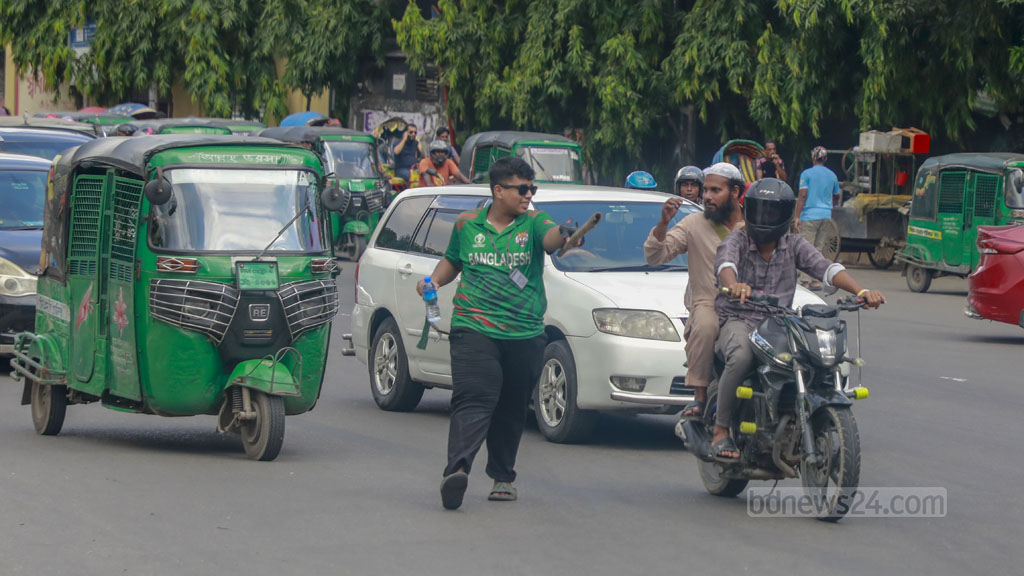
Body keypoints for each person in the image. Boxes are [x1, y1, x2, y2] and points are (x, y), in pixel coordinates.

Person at [417, 156, 580, 510]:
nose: (528, 195)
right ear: (498, 190)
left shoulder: (534, 222)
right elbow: (452, 260)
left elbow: (552, 239)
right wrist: (432, 281)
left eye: (532, 188)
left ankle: (503, 475)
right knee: (473, 398)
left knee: (510, 406)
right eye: (522, 189)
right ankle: (457, 469)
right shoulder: (466, 225)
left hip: (524, 334)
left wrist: (565, 235)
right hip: (472, 326)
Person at [710, 178, 885, 461]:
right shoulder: (737, 241)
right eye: (760, 211)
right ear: (749, 211)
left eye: (773, 212)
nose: (766, 218)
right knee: (741, 356)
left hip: (779, 321)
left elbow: (825, 268)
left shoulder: (793, 244)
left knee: (811, 356)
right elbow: (726, 267)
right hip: (739, 317)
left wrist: (862, 290)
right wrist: (735, 285)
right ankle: (720, 430)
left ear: (785, 215)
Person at [645, 162, 745, 422]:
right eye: (706, 190)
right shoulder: (693, 223)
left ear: (735, 192)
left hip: (750, 306)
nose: (707, 196)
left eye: (715, 190)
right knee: (705, 326)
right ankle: (699, 397)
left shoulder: (754, 226)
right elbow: (656, 255)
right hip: (708, 302)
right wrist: (663, 223)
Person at [795, 146, 841, 290]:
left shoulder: (806, 174)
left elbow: (802, 195)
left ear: (813, 158)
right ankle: (816, 280)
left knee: (805, 248)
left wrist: (797, 216)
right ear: (825, 159)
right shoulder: (833, 175)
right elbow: (836, 195)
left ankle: (804, 281)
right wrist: (829, 205)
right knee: (819, 249)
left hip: (810, 216)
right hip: (826, 216)